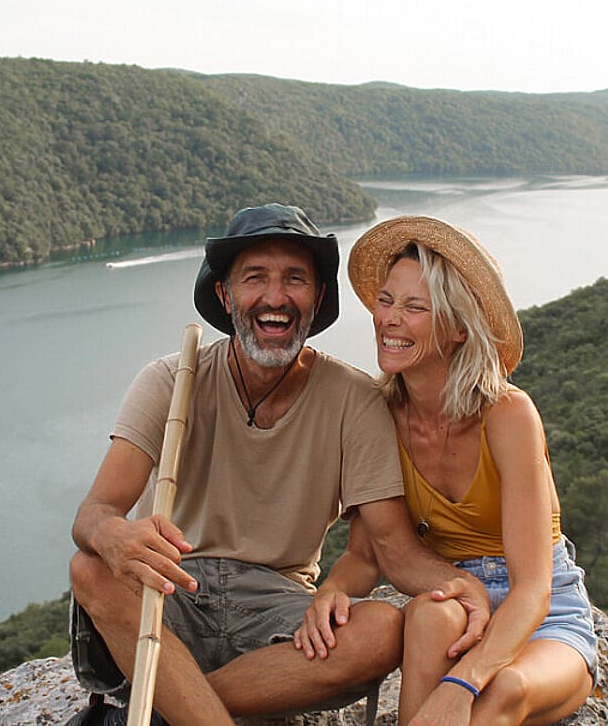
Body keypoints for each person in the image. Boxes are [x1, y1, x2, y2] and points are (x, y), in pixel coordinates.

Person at [68, 204, 491, 726]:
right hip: (175, 592)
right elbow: (95, 513)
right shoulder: (170, 380)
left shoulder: (354, 399)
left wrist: (460, 584)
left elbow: (392, 548)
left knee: (382, 628)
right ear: (225, 295)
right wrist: (113, 535)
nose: (276, 297)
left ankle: (168, 706)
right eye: (255, 278)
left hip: (278, 611)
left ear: (316, 299)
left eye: (295, 279)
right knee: (88, 566)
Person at [296, 215, 597, 725]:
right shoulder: (378, 415)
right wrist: (331, 592)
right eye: (386, 301)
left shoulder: (507, 414)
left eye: (415, 307)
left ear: (458, 327)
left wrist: (462, 682)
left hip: (543, 618)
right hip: (450, 600)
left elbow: (533, 590)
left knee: (500, 691)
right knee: (432, 615)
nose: (389, 318)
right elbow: (367, 555)